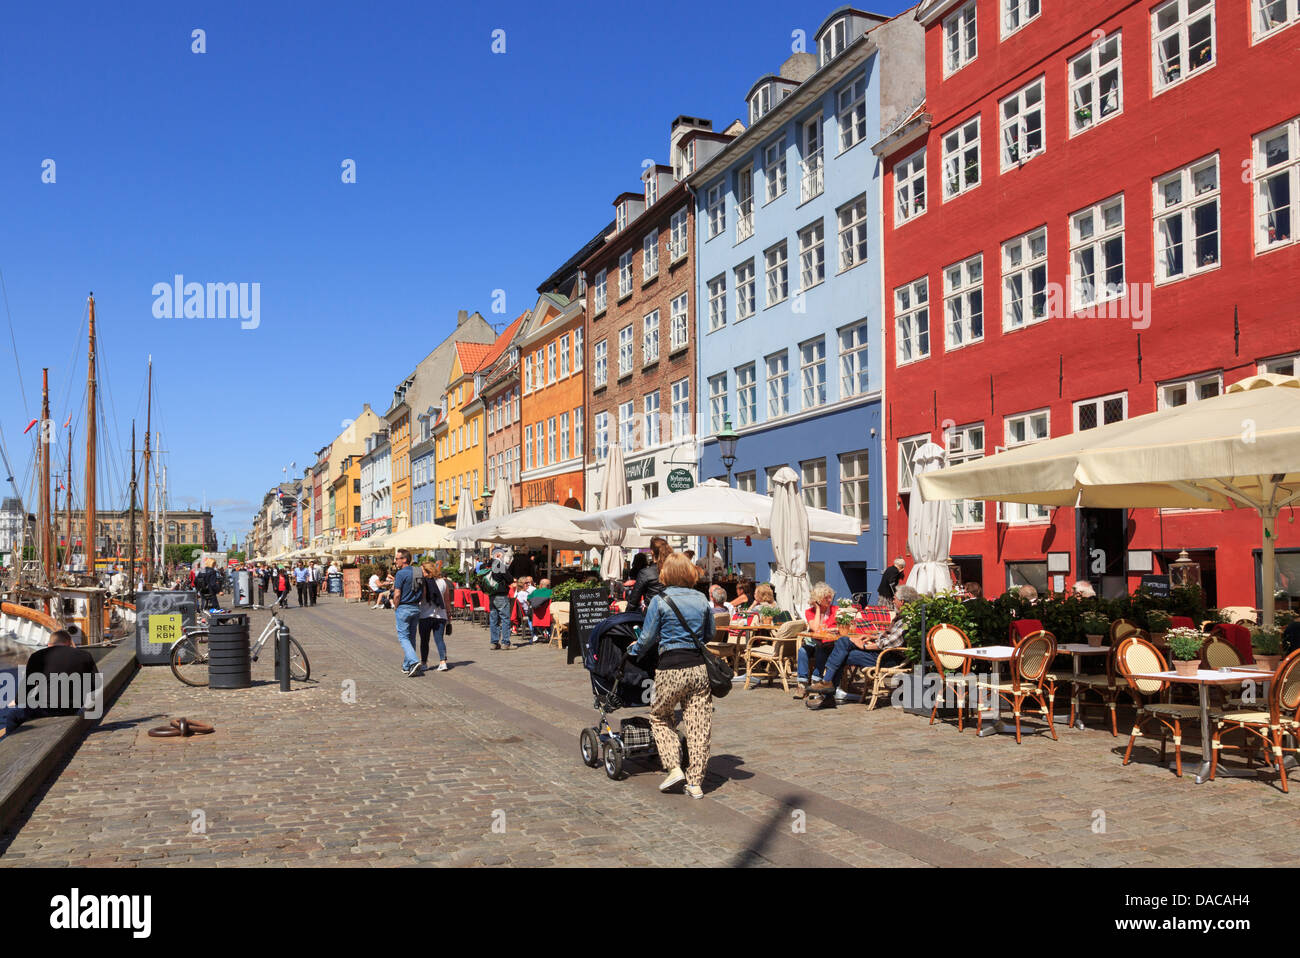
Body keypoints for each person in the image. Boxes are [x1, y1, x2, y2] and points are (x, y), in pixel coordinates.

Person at [626, 552, 714, 799]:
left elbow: (646, 638)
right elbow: (709, 633)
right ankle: (695, 782)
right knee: (699, 724)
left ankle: (674, 766)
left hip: (670, 667)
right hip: (698, 667)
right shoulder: (700, 598)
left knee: (659, 715)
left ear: (666, 573)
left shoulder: (660, 599)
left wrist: (634, 649)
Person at [808, 585, 915, 703]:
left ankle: (827, 687)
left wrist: (864, 646)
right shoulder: (900, 617)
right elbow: (887, 636)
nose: (893, 601)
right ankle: (827, 688)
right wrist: (872, 636)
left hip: (887, 658)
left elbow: (887, 643)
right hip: (883, 653)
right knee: (843, 648)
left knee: (842, 649)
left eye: (894, 598)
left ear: (902, 601)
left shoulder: (907, 620)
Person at [5, 630, 101, 732]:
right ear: (69, 643)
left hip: (46, 709)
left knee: (13, 715)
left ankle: (8, 746)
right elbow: (96, 683)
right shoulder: (84, 655)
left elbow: (27, 686)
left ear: (49, 644)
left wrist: (17, 701)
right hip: (72, 708)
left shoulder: (38, 656)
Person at [796, 582, 838, 696]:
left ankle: (816, 681)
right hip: (813, 643)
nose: (830, 600)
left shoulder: (836, 610)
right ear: (818, 599)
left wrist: (833, 629)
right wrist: (818, 609)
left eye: (831, 597)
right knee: (802, 651)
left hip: (829, 644)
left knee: (822, 648)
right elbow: (815, 628)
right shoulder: (809, 611)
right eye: (826, 598)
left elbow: (842, 627)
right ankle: (802, 685)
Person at [389, 549, 424, 676]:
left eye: (397, 559)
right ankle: (407, 666)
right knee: (411, 637)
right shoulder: (418, 571)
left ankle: (414, 661)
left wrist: (395, 606)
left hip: (404, 607)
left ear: (404, 559)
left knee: (403, 637)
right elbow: (423, 591)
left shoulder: (401, 573)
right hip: (416, 607)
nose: (395, 561)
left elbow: (397, 593)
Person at [417, 560, 452, 671]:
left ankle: (424, 663)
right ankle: (443, 662)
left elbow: (421, 597)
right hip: (440, 615)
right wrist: (449, 614)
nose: (421, 572)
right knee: (439, 640)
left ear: (427, 571)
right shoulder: (443, 582)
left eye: (422, 570)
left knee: (424, 641)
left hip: (425, 615)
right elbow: (447, 600)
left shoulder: (423, 583)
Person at [478, 546, 514, 650]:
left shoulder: (487, 565)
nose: (504, 556)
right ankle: (505, 643)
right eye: (503, 554)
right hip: (501, 595)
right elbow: (509, 579)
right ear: (498, 555)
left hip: (491, 595)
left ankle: (494, 643)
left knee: (494, 619)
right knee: (505, 619)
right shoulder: (499, 565)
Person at [626, 536, 671, 611]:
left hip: (652, 613)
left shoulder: (645, 573)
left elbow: (633, 601)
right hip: (672, 613)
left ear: (652, 552)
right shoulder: (674, 570)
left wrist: (626, 616)